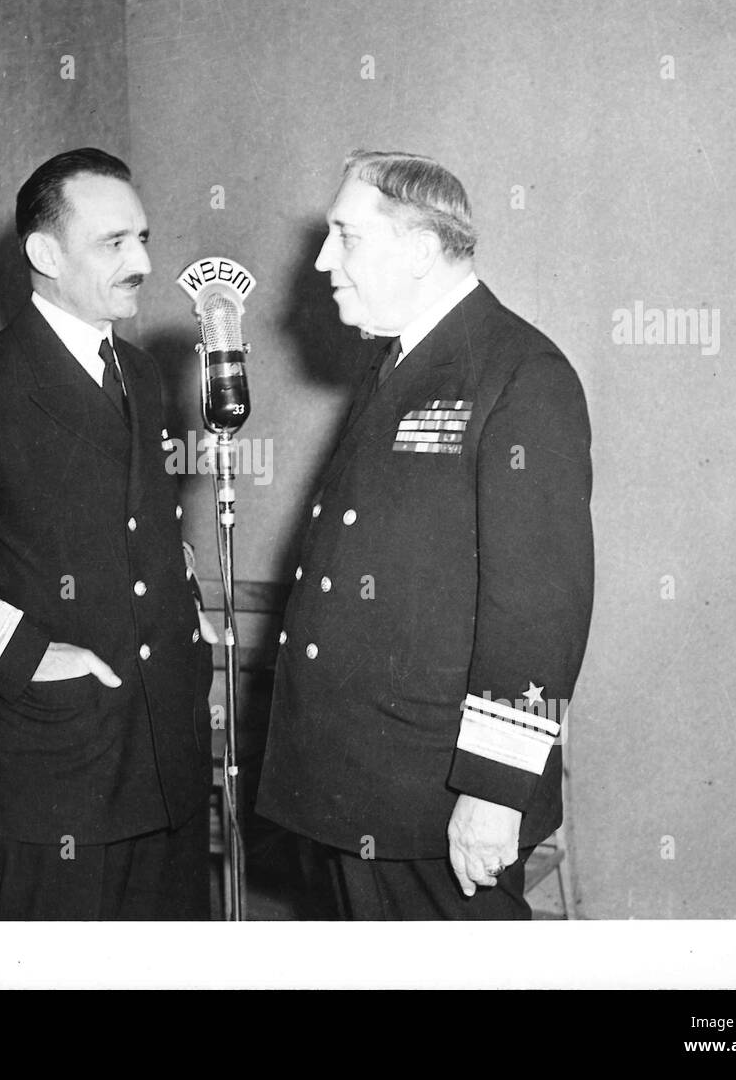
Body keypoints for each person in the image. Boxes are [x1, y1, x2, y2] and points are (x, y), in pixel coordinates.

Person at [0, 148, 216, 920]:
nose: (143, 262)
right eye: (113, 243)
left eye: (144, 238)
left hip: (169, 766)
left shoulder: (144, 377)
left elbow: (129, 531)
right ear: (45, 254)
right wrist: (25, 655)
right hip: (65, 787)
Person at [256, 150, 594, 920]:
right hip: (362, 782)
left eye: (345, 235)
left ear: (416, 251)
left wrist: (494, 790)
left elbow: (539, 608)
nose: (320, 259)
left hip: (434, 795)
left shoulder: (520, 373)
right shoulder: (400, 364)